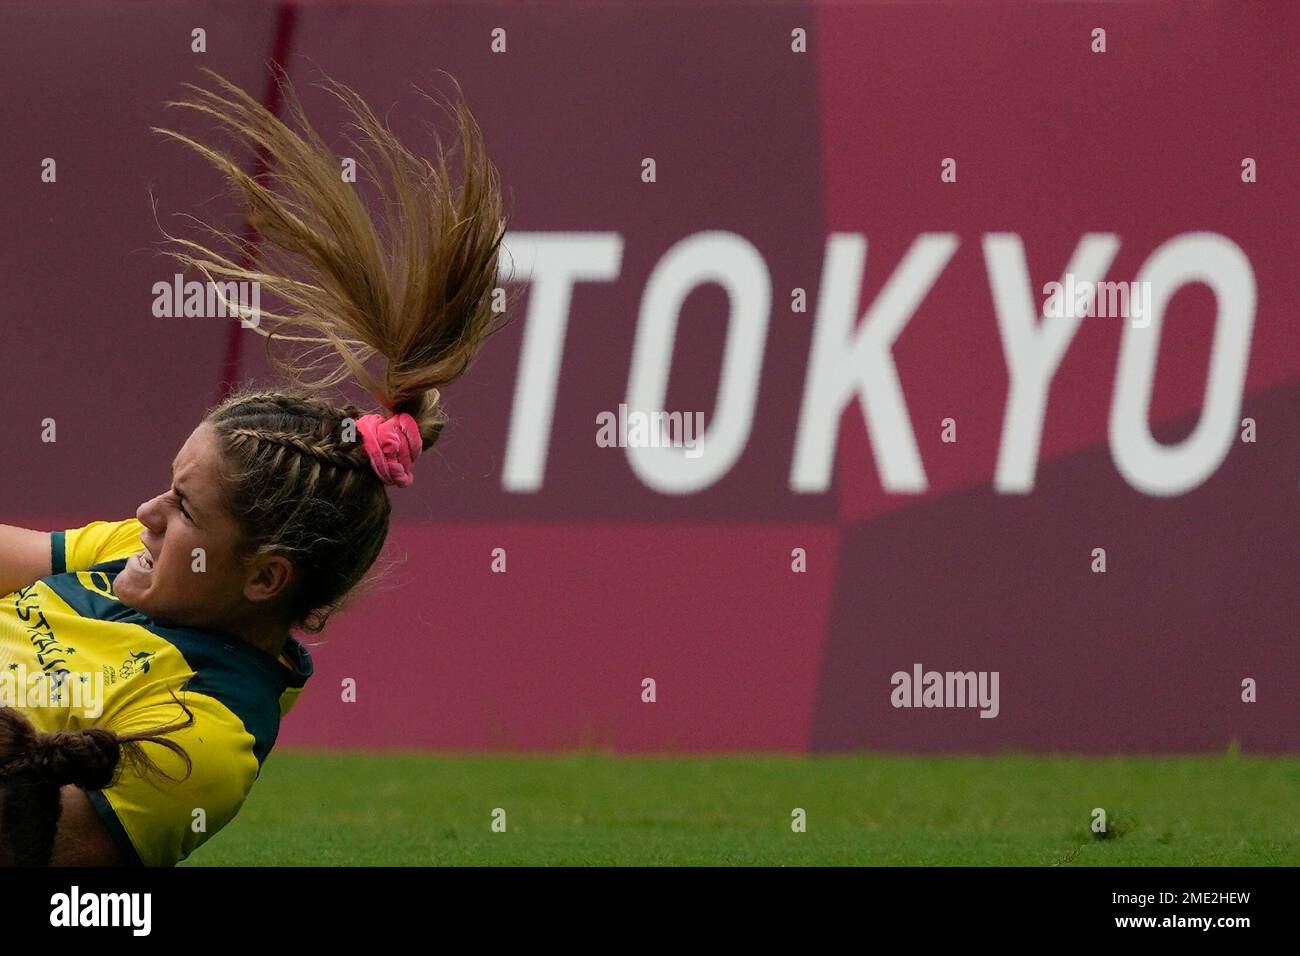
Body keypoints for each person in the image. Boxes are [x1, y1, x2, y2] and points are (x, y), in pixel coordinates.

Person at [0, 66, 509, 865]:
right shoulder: (130, 560)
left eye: (187, 510)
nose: (147, 515)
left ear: (265, 577)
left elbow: (57, 876)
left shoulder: (203, 737)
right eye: (171, 488)